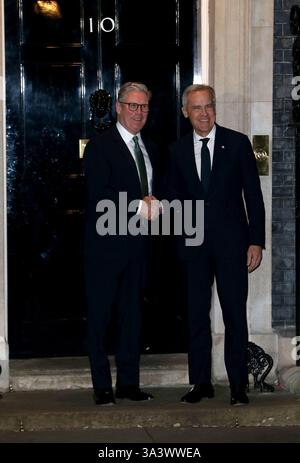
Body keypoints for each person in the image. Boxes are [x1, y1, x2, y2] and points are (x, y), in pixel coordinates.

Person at [165, 84, 265, 405]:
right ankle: (200, 383)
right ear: (186, 113)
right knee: (196, 315)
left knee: (235, 314)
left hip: (233, 245)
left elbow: (253, 196)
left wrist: (256, 241)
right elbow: (173, 200)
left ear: (215, 108)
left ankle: (238, 385)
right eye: (197, 108)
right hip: (193, 247)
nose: (204, 113)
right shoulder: (177, 150)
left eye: (208, 106)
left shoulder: (237, 144)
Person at [84, 82, 160, 405]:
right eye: (132, 106)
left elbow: (157, 191)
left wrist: (159, 205)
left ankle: (128, 383)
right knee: (101, 316)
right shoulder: (100, 146)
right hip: (105, 247)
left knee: (133, 316)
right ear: (118, 107)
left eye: (143, 107)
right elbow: (99, 195)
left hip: (139, 247)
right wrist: (139, 205)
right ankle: (102, 386)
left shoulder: (150, 148)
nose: (138, 113)